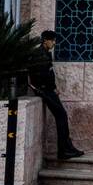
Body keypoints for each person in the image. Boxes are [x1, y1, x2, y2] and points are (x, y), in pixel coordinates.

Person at [28, 30, 84, 159]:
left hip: (47, 89)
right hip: (44, 90)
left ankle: (67, 148)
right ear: (46, 40)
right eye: (52, 40)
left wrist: (53, 88)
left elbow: (48, 73)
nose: (54, 43)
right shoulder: (40, 54)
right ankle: (64, 150)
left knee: (62, 116)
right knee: (62, 115)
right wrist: (50, 88)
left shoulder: (45, 53)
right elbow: (43, 75)